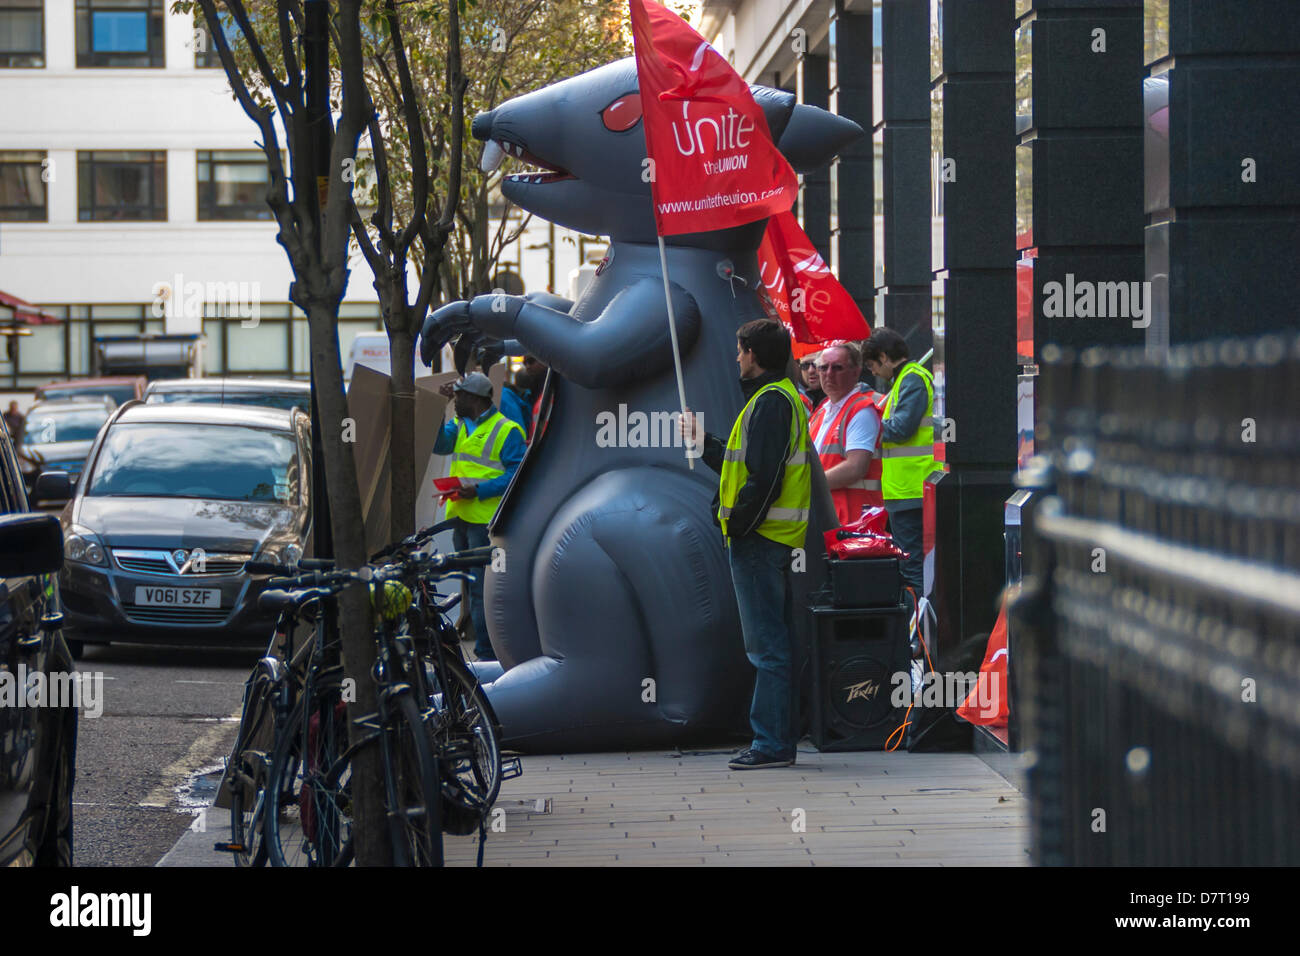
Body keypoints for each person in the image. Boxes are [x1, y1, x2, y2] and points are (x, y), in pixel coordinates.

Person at [679, 319, 811, 770]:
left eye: (739, 351)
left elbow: (764, 478)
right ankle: (774, 740)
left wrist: (737, 525)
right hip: (767, 537)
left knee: (766, 647)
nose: (736, 358)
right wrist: (704, 444)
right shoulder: (773, 399)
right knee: (771, 644)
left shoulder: (771, 401)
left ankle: (772, 744)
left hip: (760, 539)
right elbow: (748, 467)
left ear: (753, 353)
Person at [434, 372, 526, 661]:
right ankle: (486, 649)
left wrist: (480, 490)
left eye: (459, 395)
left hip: (485, 521)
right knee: (472, 585)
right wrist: (438, 406)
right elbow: (439, 445)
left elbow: (516, 474)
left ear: (475, 398)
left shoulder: (507, 430)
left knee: (480, 588)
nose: (455, 399)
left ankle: (487, 653)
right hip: (461, 516)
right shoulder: (459, 424)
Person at [862, 328, 938, 597]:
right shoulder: (906, 381)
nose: (872, 372)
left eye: (871, 365)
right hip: (907, 490)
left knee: (912, 567)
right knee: (912, 566)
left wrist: (869, 422)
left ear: (883, 357)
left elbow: (901, 428)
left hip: (912, 489)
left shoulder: (912, 380)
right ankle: (919, 632)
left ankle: (918, 634)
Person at [808, 342, 883, 526]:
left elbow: (856, 467)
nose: (828, 374)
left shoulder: (861, 410)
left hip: (853, 520)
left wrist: (809, 485)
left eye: (837, 368)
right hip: (829, 515)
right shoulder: (821, 411)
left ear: (856, 372)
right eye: (823, 367)